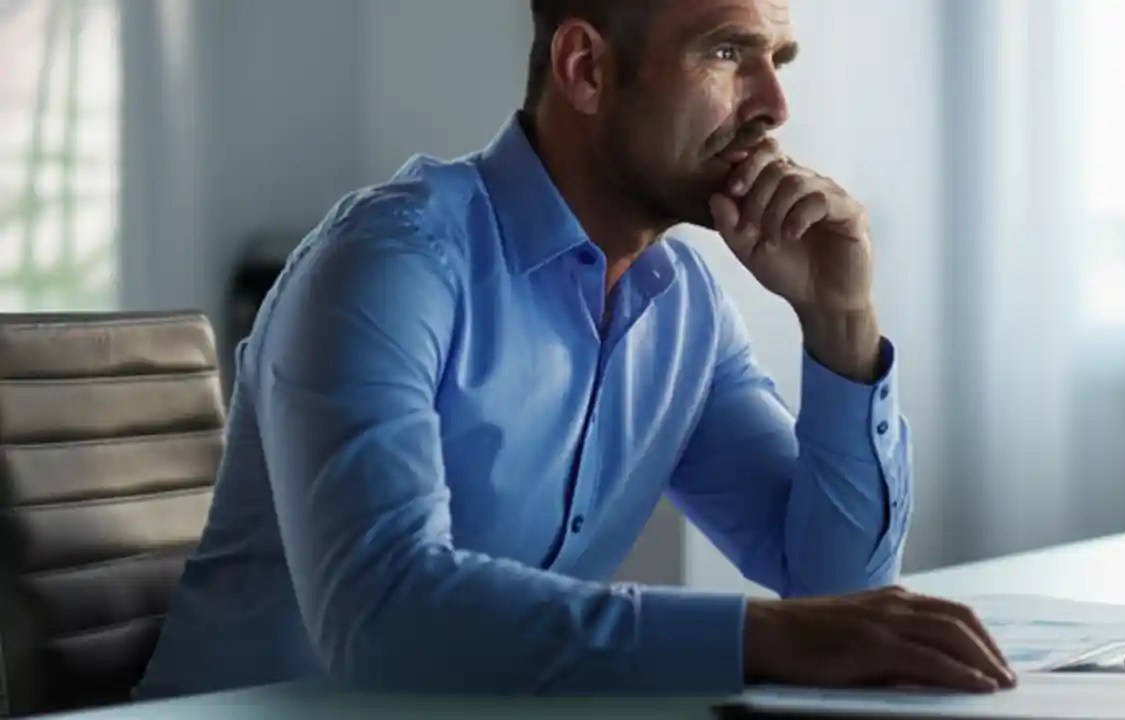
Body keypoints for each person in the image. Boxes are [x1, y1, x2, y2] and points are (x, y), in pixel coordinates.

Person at [138, 0, 1016, 698]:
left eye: (776, 62)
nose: (775, 107)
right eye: (725, 53)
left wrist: (841, 324)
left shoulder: (684, 309)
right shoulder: (389, 263)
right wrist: (763, 640)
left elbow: (836, 588)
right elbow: (383, 615)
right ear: (587, 68)